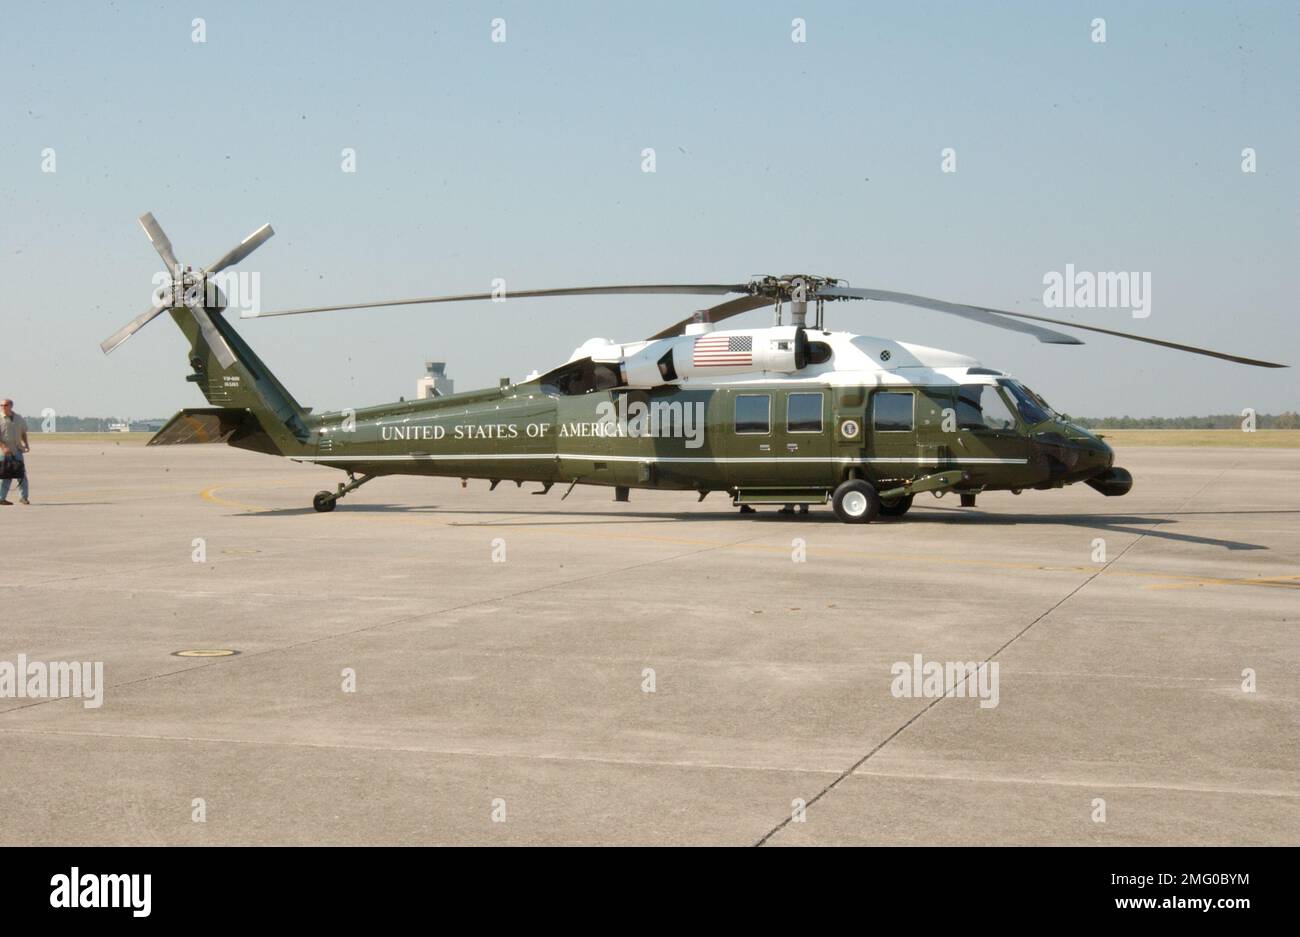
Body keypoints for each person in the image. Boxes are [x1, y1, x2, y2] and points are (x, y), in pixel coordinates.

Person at [0, 398, 31, 505]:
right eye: (1, 405)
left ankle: (24, 497)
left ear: (11, 406)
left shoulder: (19, 418)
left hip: (17, 450)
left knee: (21, 475)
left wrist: (26, 444)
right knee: (5, 475)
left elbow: (23, 433)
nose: (3, 407)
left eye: (5, 405)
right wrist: (3, 448)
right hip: (4, 453)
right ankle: (1, 498)